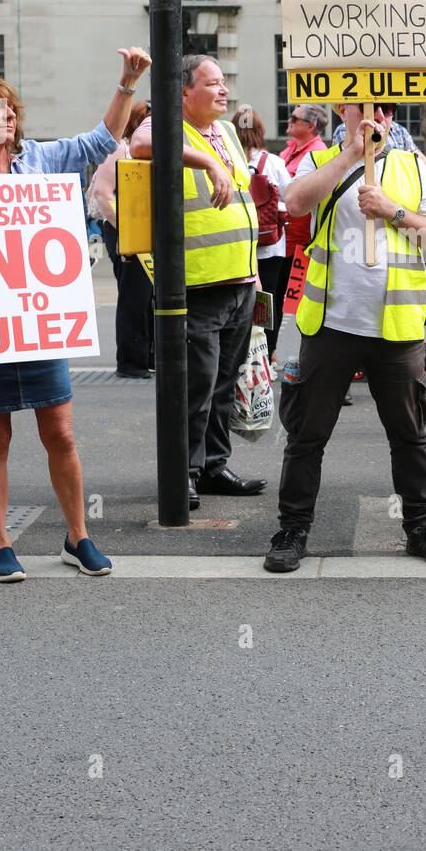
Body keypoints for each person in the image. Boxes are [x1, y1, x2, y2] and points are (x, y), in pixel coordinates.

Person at [0, 48, 152, 581]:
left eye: (9, 109)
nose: (6, 117)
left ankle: (78, 536)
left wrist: (127, 82)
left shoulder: (38, 161)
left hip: (38, 320)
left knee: (61, 434)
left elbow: (99, 141)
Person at [263, 101, 426, 572]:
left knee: (409, 435)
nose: (380, 118)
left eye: (388, 109)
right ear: (342, 111)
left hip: (395, 328)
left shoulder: (412, 166)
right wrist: (351, 154)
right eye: (367, 108)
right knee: (306, 435)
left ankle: (421, 526)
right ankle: (293, 529)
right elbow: (294, 202)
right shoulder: (319, 161)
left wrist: (394, 212)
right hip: (332, 323)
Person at [129, 56, 265, 511]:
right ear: (184, 92)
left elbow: (241, 202)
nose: (224, 91)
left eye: (225, 82)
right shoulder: (163, 126)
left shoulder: (226, 132)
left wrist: (255, 277)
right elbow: (141, 145)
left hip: (239, 281)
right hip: (199, 285)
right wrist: (208, 162)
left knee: (225, 380)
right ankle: (182, 472)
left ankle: (213, 466)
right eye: (213, 83)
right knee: (197, 384)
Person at [87, 99, 155, 378]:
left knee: (147, 294)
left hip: (140, 228)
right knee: (135, 295)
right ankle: (131, 361)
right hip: (124, 229)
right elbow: (102, 194)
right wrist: (126, 228)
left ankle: (147, 355)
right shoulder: (119, 149)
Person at [270, 103, 329, 366]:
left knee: (305, 303)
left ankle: (316, 361)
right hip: (284, 239)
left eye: (295, 118)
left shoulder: (317, 154)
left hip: (302, 243)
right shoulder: (289, 149)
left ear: (311, 126)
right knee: (278, 298)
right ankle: (270, 353)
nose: (289, 120)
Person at [231, 106, 290, 362]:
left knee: (239, 300)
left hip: (237, 243)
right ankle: (268, 351)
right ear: (260, 132)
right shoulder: (273, 162)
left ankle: (241, 351)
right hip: (271, 244)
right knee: (270, 300)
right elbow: (290, 197)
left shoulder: (228, 159)